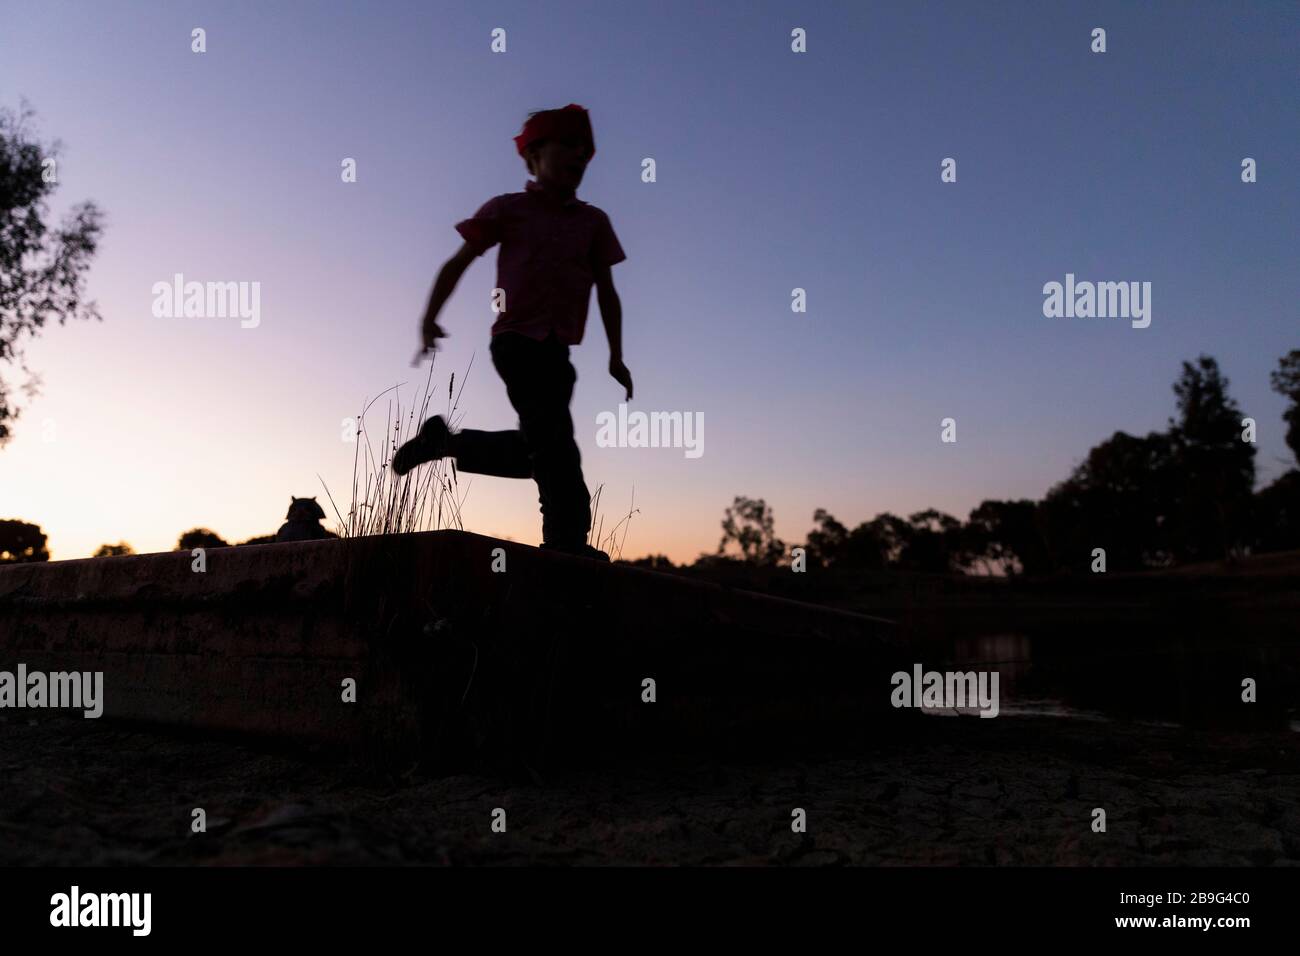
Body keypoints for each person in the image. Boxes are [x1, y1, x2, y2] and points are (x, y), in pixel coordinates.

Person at [393, 104, 631, 560]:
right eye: (568, 146)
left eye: (586, 152)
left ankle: (445, 442)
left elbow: (608, 292)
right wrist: (429, 317)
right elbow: (457, 263)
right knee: (556, 446)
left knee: (538, 448)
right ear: (534, 155)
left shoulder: (593, 222)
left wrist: (616, 355)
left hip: (558, 350)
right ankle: (566, 542)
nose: (579, 158)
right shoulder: (508, 209)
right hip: (516, 342)